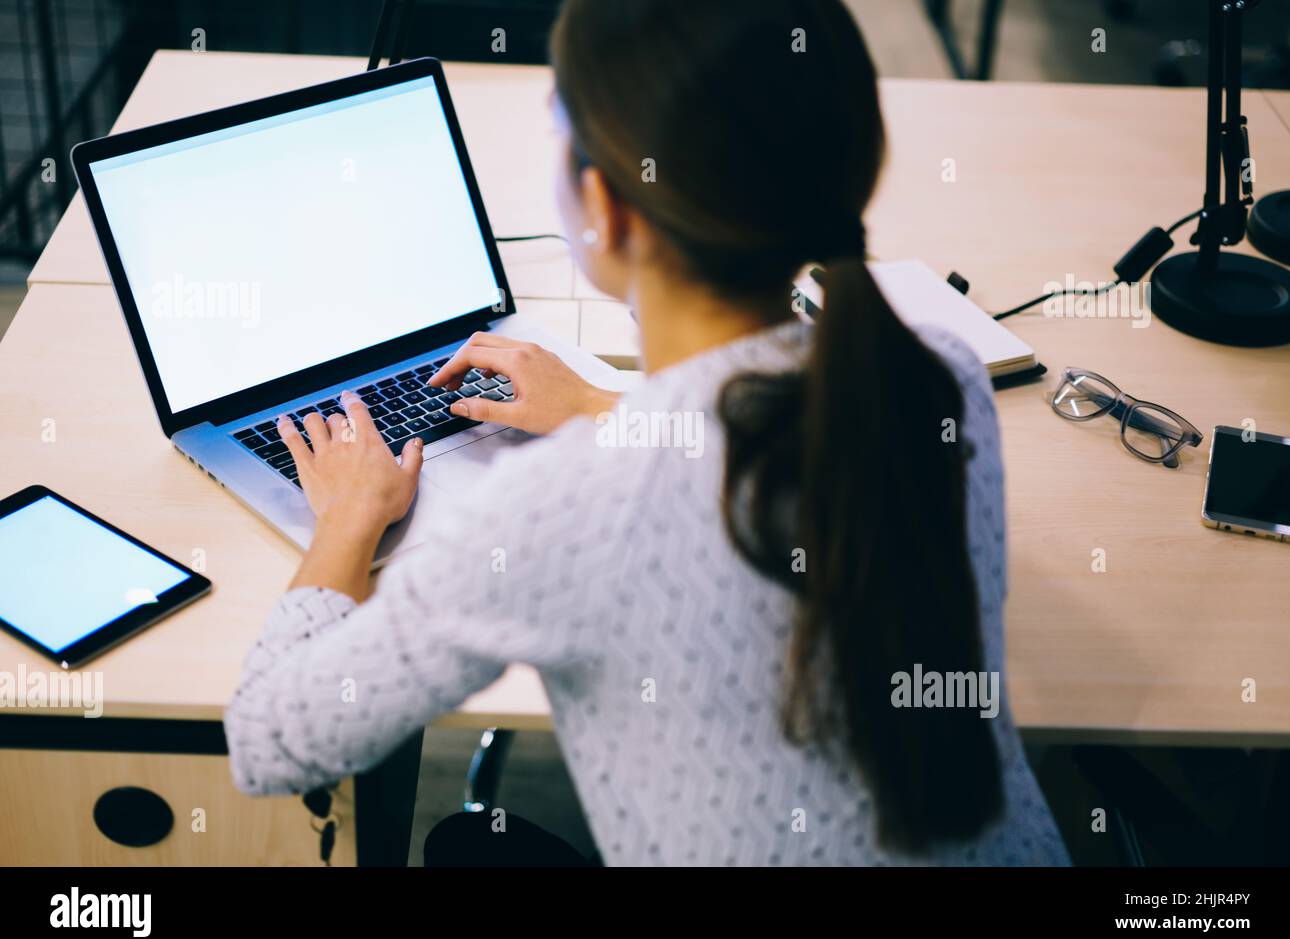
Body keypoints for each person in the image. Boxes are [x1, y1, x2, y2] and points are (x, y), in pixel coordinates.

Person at [224, 0, 1069, 867]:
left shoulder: (563, 511)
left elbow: (269, 741)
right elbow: (732, 453)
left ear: (607, 204)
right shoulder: (939, 374)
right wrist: (605, 408)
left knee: (465, 847)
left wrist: (349, 517)